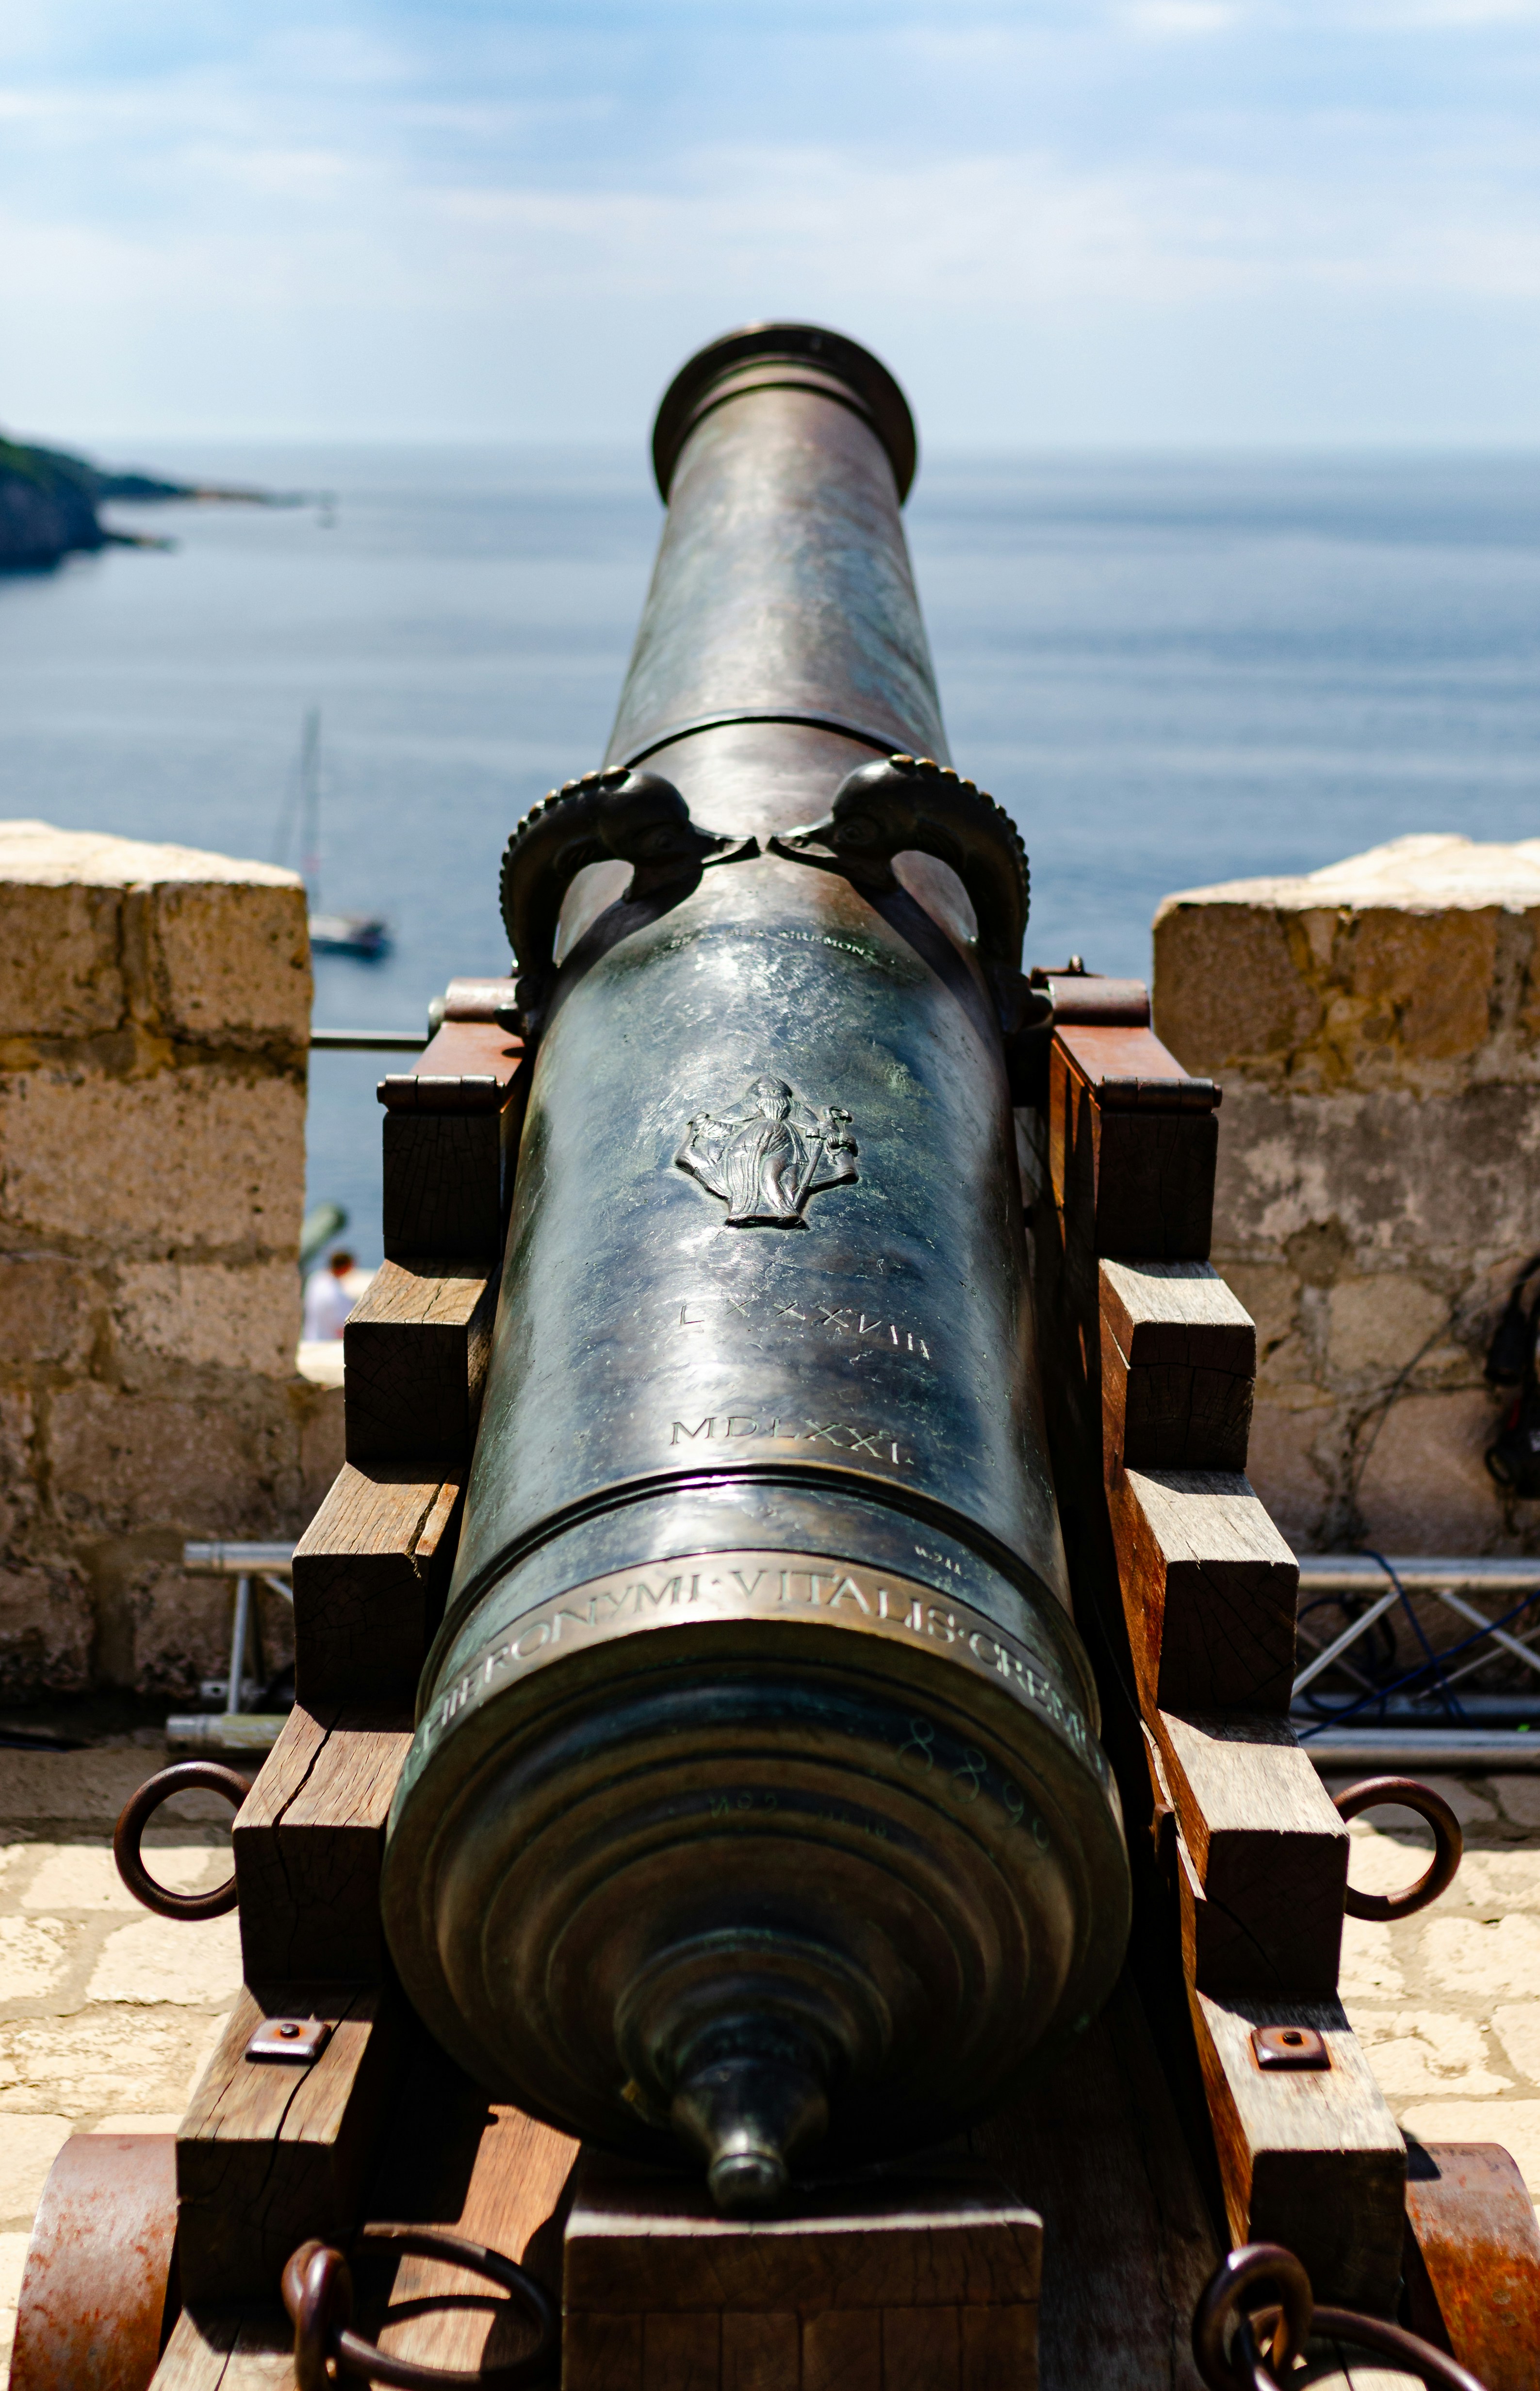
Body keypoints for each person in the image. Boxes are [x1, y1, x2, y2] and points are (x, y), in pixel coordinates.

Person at [303, 1248, 358, 1341]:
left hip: (311, 1339)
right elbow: (342, 1329)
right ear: (347, 1267)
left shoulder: (316, 1279)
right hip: (328, 1344)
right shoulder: (337, 1296)